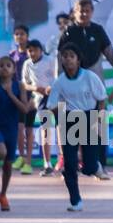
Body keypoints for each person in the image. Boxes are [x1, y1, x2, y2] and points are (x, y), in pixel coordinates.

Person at [58, 0, 113, 179]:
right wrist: (59, 84)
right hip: (73, 89)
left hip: (95, 87)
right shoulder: (68, 32)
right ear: (75, 12)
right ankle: (73, 165)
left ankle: (100, 166)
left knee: (98, 126)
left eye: (87, 10)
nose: (84, 14)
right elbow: (60, 60)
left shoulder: (98, 31)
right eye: (80, 10)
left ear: (92, 12)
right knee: (74, 128)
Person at [46, 43, 107, 212]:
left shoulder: (90, 77)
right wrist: (61, 119)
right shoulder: (60, 82)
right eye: (65, 56)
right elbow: (51, 105)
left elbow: (102, 98)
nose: (68, 59)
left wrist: (99, 119)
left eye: (71, 56)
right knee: (70, 164)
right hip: (70, 120)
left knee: (88, 167)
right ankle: (75, 200)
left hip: (89, 117)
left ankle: (94, 166)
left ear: (78, 60)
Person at [0, 55, 31, 211]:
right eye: (1, 65)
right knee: (1, 151)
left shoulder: (19, 86)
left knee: (7, 167)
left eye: (8, 65)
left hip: (12, 130)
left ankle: (3, 195)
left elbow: (25, 109)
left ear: (14, 70)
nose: (4, 68)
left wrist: (10, 94)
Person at [21, 37, 57, 176]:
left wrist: (50, 88)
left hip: (56, 97)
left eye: (35, 50)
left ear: (41, 50)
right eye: (30, 51)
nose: (32, 53)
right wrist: (36, 88)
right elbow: (25, 84)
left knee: (62, 129)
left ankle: (66, 161)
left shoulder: (50, 61)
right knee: (46, 129)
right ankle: (47, 163)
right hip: (41, 99)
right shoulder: (27, 64)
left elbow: (57, 77)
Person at [9, 25, 33, 172]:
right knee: (19, 128)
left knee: (29, 129)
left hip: (31, 96)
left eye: (22, 34)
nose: (19, 37)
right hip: (17, 97)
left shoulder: (32, 54)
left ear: (27, 36)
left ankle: (28, 162)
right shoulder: (11, 55)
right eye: (17, 34)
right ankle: (21, 157)